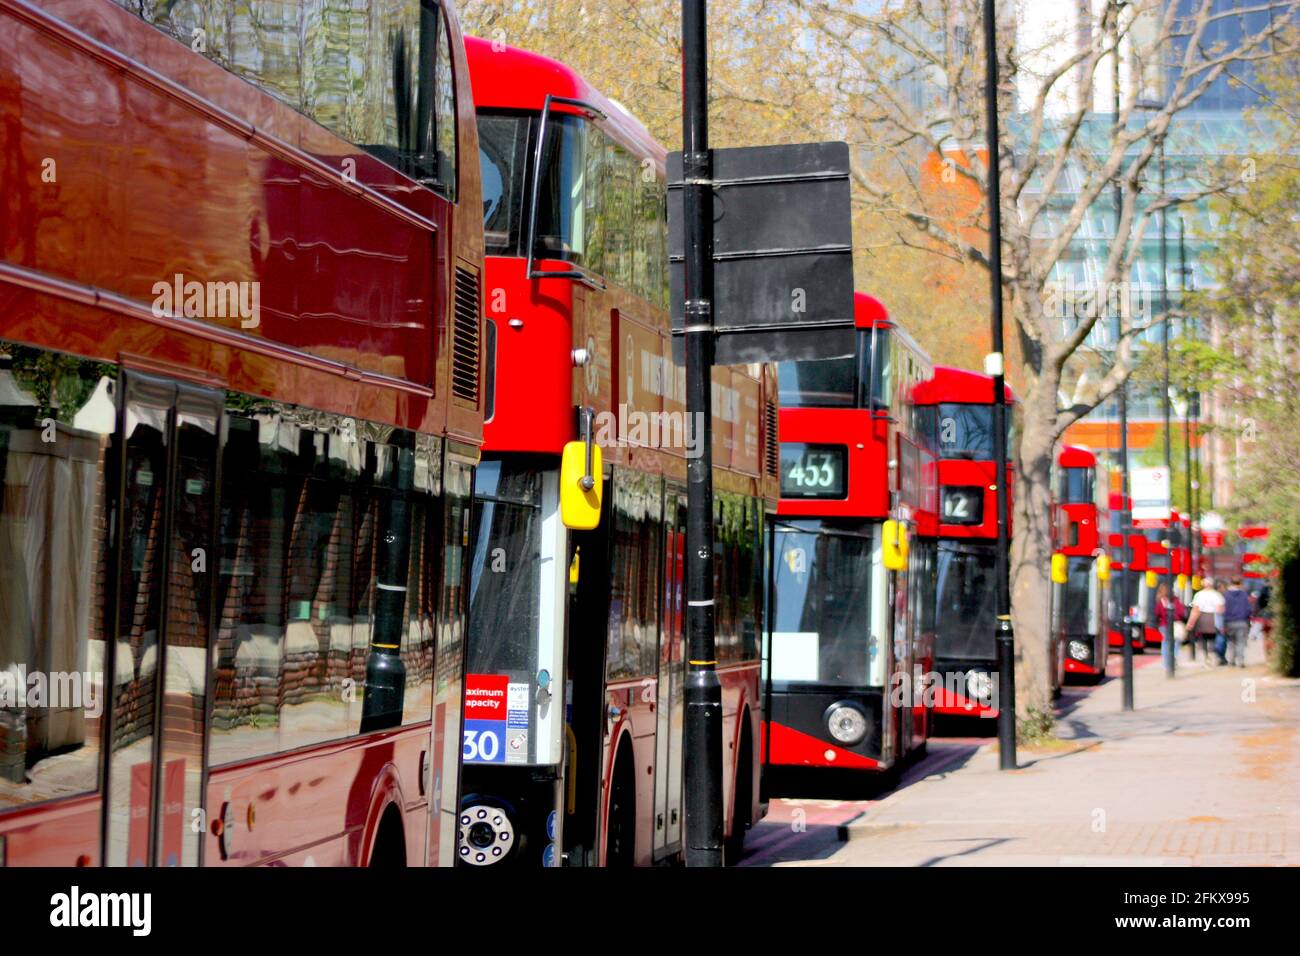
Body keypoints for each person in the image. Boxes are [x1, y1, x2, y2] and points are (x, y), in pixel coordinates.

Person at [1187, 577, 1226, 666]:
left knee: (1203, 638)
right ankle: (1212, 654)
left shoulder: (1199, 595)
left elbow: (1195, 610)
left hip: (1203, 618)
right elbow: (1221, 609)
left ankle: (1206, 656)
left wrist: (1190, 622)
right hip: (1213, 618)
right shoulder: (1217, 595)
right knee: (1213, 638)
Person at [1154, 582, 1187, 667]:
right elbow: (1181, 612)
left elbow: (1156, 613)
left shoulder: (1160, 600)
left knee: (1165, 643)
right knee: (1176, 642)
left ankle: (1166, 663)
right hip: (1174, 624)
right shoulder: (1175, 600)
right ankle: (1172, 659)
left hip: (1163, 625)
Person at [1223, 577, 1251, 667]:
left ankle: (1231, 660)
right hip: (1242, 621)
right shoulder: (1244, 594)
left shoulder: (1226, 595)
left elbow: (1223, 609)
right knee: (1241, 642)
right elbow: (1248, 608)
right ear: (1240, 584)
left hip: (1229, 621)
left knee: (1231, 642)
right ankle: (1241, 661)